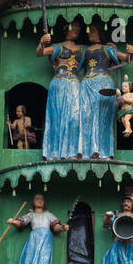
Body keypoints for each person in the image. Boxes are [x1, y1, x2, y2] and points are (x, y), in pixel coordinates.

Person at [79, 18, 133, 160]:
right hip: (86, 85)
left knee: (103, 118)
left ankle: (103, 151)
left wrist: (131, 53)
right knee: (85, 117)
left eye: (92, 30)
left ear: (99, 33)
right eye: (89, 31)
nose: (89, 33)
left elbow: (126, 58)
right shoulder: (84, 50)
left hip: (103, 85)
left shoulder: (107, 49)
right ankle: (85, 151)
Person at [37, 20, 85, 161]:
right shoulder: (57, 47)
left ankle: (71, 151)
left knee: (74, 118)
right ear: (66, 29)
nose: (76, 29)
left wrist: (110, 47)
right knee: (56, 118)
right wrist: (42, 43)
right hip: (58, 84)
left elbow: (98, 53)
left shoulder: (82, 49)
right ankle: (54, 152)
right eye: (73, 26)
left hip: (74, 85)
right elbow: (40, 53)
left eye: (78, 27)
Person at [8, 193, 68, 264]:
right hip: (34, 239)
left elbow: (56, 227)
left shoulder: (48, 214)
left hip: (46, 239)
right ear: (33, 202)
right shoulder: (31, 214)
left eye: (42, 199)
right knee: (28, 261)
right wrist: (13, 222)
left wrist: (62, 227)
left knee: (43, 263)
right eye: (37, 199)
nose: (40, 201)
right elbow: (21, 222)